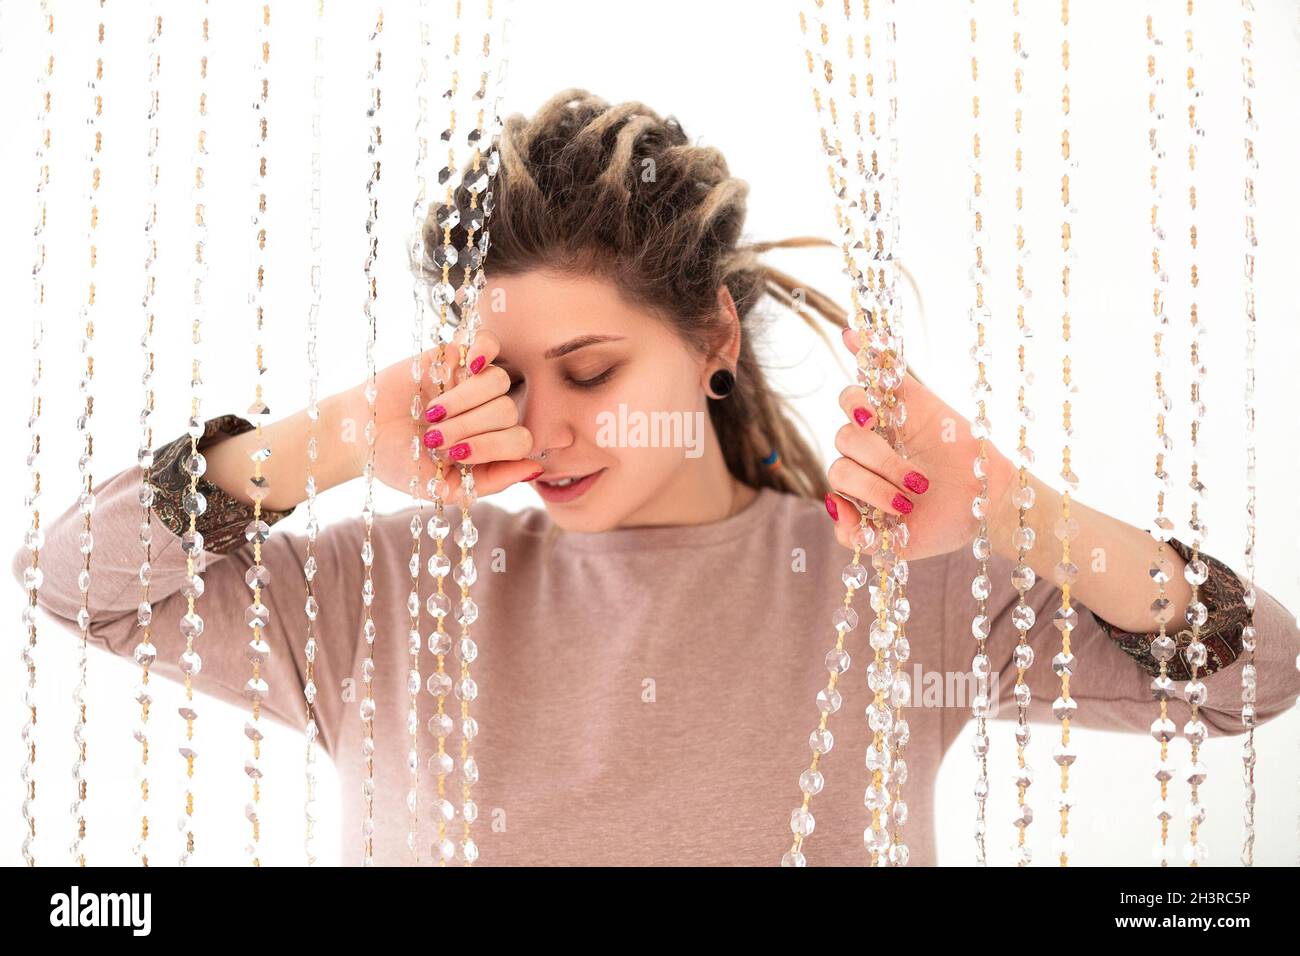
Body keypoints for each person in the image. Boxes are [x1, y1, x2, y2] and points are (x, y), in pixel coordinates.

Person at [16, 88, 1299, 867]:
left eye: (588, 369)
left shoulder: (895, 585)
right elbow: (75, 581)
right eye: (506, 376)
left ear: (713, 343)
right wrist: (338, 435)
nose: (547, 425)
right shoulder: (383, 592)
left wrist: (1019, 509)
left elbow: (1258, 678)